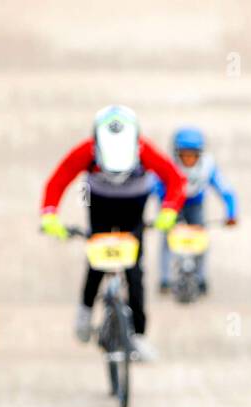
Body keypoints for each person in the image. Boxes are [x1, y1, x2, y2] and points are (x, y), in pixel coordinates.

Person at [40, 106, 186, 360]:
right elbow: (59, 179)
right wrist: (49, 214)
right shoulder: (86, 151)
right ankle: (84, 313)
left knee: (134, 270)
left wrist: (169, 210)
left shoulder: (145, 150)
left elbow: (175, 179)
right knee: (97, 261)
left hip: (134, 209)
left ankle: (138, 336)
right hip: (100, 207)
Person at [157, 127, 238, 296]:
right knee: (167, 239)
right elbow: (155, 186)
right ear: (177, 153)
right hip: (172, 204)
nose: (188, 159)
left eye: (192, 155)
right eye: (184, 155)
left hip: (195, 205)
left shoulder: (207, 166)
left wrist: (231, 213)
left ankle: (201, 278)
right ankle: (165, 279)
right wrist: (165, 210)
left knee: (201, 240)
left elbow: (226, 190)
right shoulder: (168, 164)